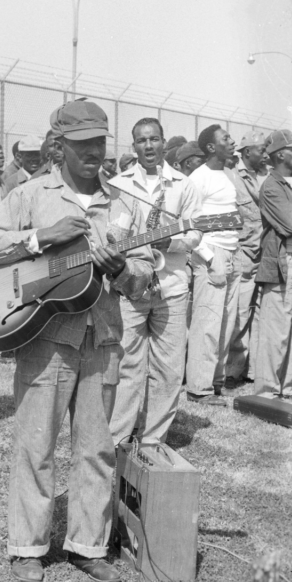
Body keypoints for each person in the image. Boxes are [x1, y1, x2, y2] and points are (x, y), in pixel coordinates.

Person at [0, 98, 153, 582]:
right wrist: (39, 238)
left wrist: (126, 269)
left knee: (97, 447)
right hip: (45, 334)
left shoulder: (124, 203)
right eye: (82, 144)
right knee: (37, 443)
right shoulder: (32, 193)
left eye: (99, 142)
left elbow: (145, 276)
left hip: (103, 334)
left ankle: (88, 545)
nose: (93, 152)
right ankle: (27, 546)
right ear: (61, 146)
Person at [108, 118, 202, 446]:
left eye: (154, 139)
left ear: (164, 143)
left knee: (169, 369)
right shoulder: (119, 184)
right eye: (141, 141)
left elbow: (196, 232)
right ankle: (119, 437)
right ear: (133, 146)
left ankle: (153, 439)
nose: (148, 146)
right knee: (127, 365)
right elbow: (112, 233)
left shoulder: (183, 185)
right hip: (130, 287)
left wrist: (171, 243)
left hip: (172, 285)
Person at [185, 124, 241, 406]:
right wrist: (208, 258)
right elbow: (188, 224)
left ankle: (215, 382)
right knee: (207, 322)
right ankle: (198, 388)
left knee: (226, 323)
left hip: (232, 252)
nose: (232, 142)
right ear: (210, 147)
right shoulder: (199, 177)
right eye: (225, 138)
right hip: (211, 255)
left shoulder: (227, 174)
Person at [254, 129, 292, 401]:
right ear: (280, 154)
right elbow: (290, 225)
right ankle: (267, 391)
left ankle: (289, 386)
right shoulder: (271, 186)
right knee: (276, 328)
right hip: (280, 263)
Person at [224, 131, 267, 387]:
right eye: (261, 150)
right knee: (239, 314)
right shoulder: (231, 176)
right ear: (247, 151)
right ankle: (232, 371)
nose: (265, 154)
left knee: (261, 315)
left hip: (267, 254)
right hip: (243, 254)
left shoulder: (267, 176)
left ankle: (254, 370)